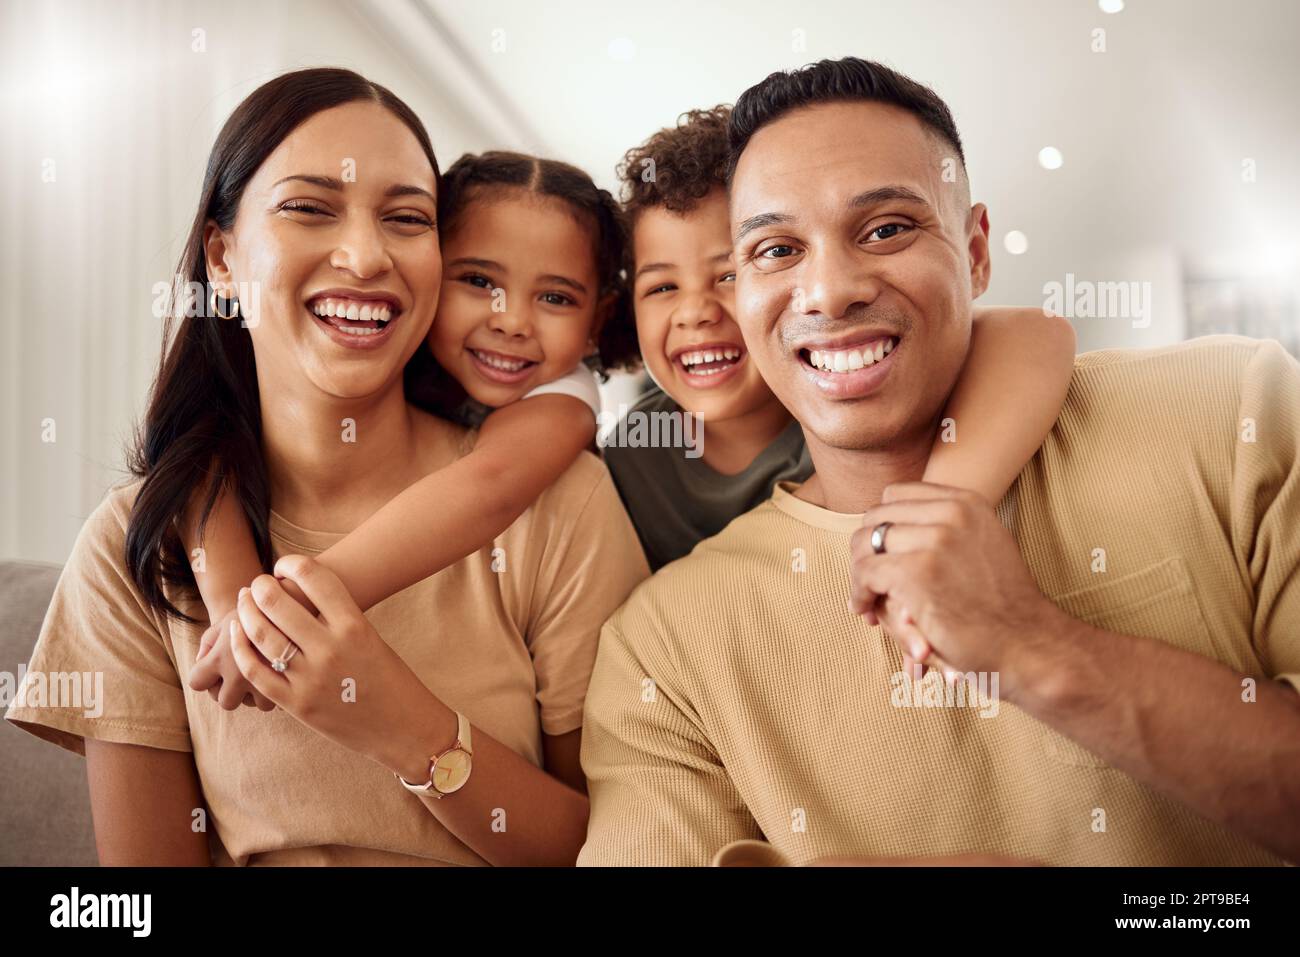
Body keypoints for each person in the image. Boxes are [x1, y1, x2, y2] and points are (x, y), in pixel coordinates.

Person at [578, 57, 1300, 866]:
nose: (830, 290)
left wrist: (1033, 648)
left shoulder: (1237, 409)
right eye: (777, 250)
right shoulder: (659, 646)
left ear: (977, 250)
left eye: (886, 229)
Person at [4, 68, 647, 866]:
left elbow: (627, 849)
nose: (365, 254)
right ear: (222, 256)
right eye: (309, 208)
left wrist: (409, 729)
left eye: (407, 219)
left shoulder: (559, 503)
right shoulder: (140, 538)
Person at [607, 106, 1075, 570]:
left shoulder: (842, 419)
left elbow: (1034, 334)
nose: (695, 313)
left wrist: (937, 516)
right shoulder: (631, 453)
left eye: (728, 276)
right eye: (662, 287)